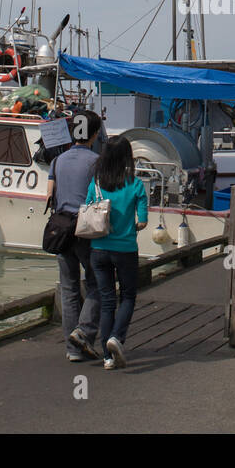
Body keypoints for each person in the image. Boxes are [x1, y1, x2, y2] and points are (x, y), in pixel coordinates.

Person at [89, 135, 149, 370]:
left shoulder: (96, 182)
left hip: (99, 248)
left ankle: (107, 356)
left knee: (106, 301)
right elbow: (143, 215)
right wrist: (137, 223)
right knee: (128, 296)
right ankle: (117, 337)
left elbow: (87, 206)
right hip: (125, 248)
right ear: (127, 157)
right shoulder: (134, 183)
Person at [48, 110, 103, 363]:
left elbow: (50, 194)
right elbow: (103, 198)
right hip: (85, 229)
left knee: (69, 288)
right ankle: (84, 331)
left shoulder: (57, 161)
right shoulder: (96, 161)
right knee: (98, 284)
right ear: (93, 134)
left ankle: (72, 350)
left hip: (61, 228)